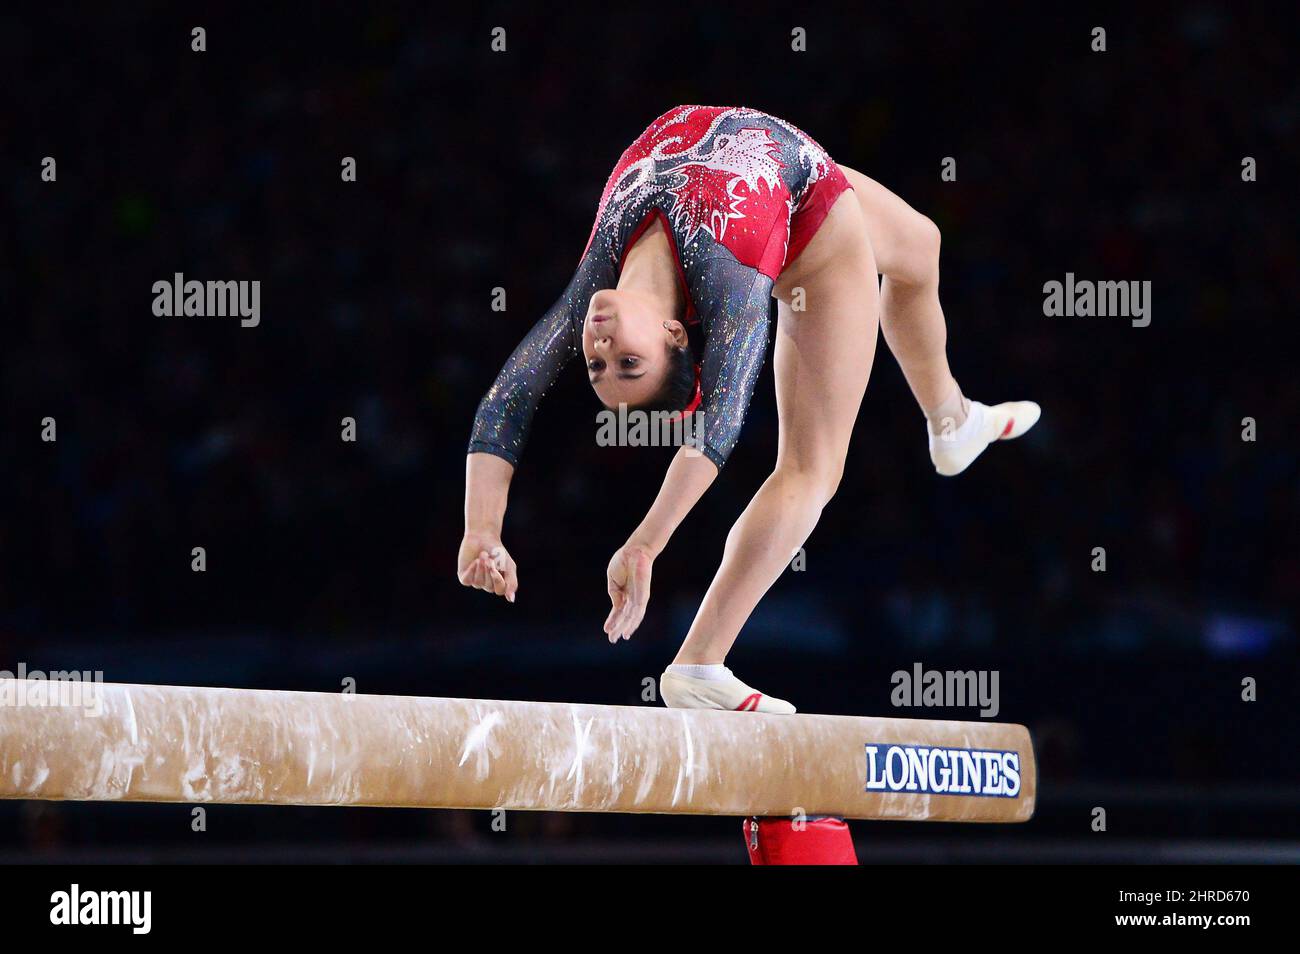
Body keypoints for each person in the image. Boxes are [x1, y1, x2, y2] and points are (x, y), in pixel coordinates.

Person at [458, 105, 1038, 712]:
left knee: (922, 245)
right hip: (813, 226)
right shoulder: (730, 280)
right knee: (812, 469)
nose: (601, 352)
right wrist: (645, 544)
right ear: (673, 333)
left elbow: (508, 400)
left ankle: (952, 420)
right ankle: (700, 664)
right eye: (627, 363)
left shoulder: (590, 294)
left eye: (600, 368)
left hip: (796, 170)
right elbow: (718, 428)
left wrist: (481, 530)